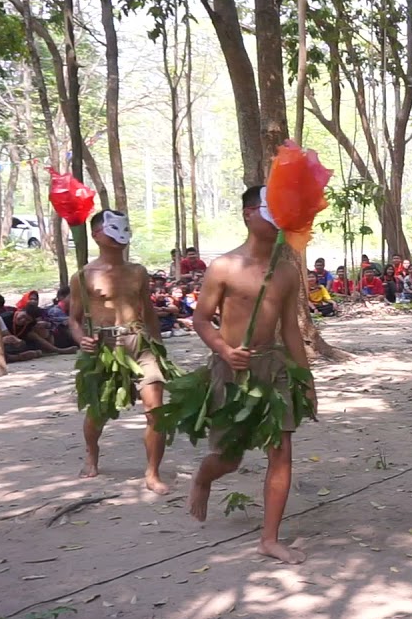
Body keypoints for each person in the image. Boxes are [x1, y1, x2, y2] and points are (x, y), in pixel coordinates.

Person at [187, 186, 316, 564]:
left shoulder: (287, 271)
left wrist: (306, 381)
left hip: (272, 368)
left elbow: (290, 330)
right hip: (230, 370)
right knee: (229, 458)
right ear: (248, 214)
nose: (278, 220)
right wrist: (224, 349)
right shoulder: (224, 267)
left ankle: (269, 539)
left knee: (282, 451)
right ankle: (203, 478)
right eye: (270, 210)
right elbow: (201, 319)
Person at [68, 210, 174, 493]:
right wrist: (81, 339)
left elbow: (148, 310)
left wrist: (159, 347)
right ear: (96, 235)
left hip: (139, 342)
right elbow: (73, 319)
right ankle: (92, 453)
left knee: (156, 410)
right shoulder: (83, 276)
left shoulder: (138, 272)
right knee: (98, 411)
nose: (119, 236)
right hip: (104, 347)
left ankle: (153, 473)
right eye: (111, 230)